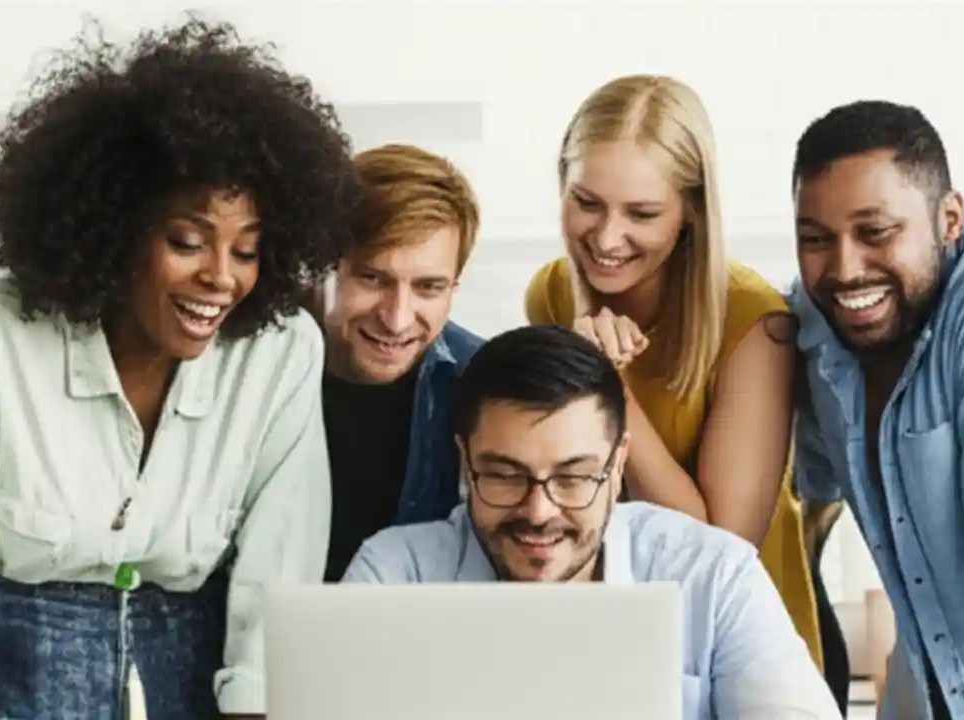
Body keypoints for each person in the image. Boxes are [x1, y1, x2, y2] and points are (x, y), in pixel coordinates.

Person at [0, 18, 360, 720]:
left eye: (248, 251)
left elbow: (271, 606)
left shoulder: (280, 353)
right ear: (115, 224)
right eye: (188, 241)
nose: (221, 278)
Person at [343, 324, 841, 719]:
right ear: (464, 459)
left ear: (618, 462)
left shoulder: (713, 575)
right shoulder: (394, 576)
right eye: (503, 475)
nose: (539, 512)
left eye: (575, 477)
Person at [521, 74, 823, 668]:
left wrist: (604, 388)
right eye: (586, 202)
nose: (607, 237)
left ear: (689, 213)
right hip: (627, 641)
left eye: (642, 212)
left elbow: (719, 551)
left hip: (749, 652)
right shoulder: (551, 296)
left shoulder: (755, 322)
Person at [791, 99, 964, 719]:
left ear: (949, 219)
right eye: (815, 239)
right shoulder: (813, 321)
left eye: (875, 232)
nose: (844, 268)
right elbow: (807, 491)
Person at [315, 143, 483, 581]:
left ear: (454, 287)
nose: (396, 318)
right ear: (323, 264)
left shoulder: (481, 382)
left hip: (414, 637)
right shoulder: (257, 363)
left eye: (428, 288)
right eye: (373, 279)